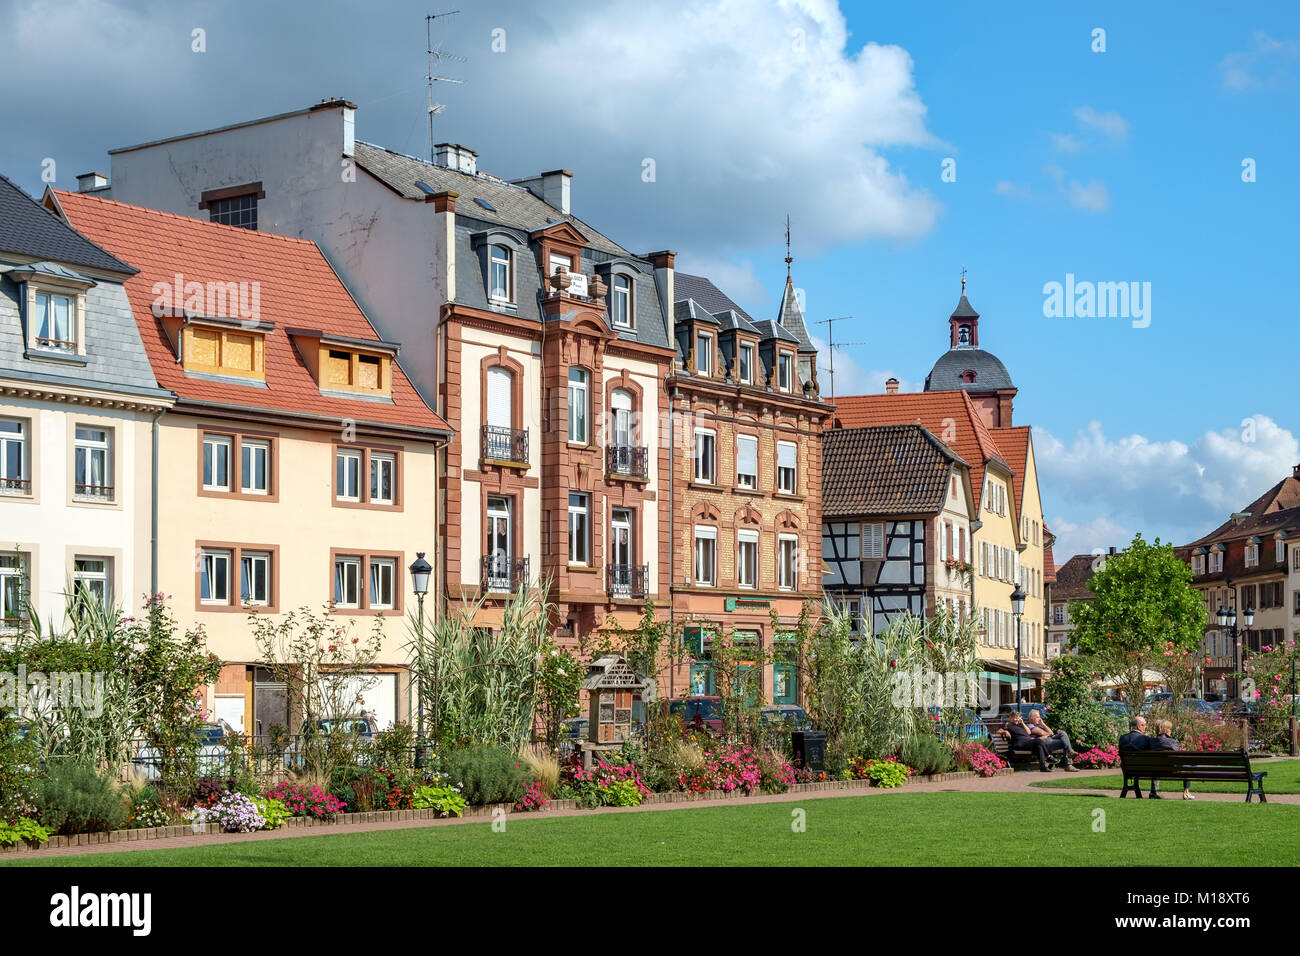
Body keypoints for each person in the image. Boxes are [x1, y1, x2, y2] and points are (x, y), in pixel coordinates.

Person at [997, 712, 1078, 772]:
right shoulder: (1009, 725)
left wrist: (1022, 723)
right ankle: (1049, 757)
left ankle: (1043, 767)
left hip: (1028, 742)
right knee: (1038, 741)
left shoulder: (1021, 725)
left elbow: (1028, 732)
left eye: (1018, 717)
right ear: (1010, 718)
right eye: (1014, 717)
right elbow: (999, 730)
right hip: (1020, 744)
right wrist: (1005, 732)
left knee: (1040, 746)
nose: (1016, 719)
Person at [1149, 719, 1194, 800]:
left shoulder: (1151, 741)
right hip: (1172, 769)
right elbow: (1179, 755)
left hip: (1156, 769)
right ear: (1165, 730)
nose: (1170, 731)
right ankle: (1186, 792)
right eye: (1170, 729)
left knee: (1156, 766)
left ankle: (1153, 792)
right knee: (1188, 765)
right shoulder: (1172, 741)